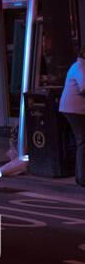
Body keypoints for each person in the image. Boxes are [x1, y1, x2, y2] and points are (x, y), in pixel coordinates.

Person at [59, 45, 85, 185]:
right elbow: (84, 88)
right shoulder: (80, 67)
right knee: (82, 141)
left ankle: (80, 176)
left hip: (75, 109)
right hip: (74, 109)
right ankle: (82, 178)